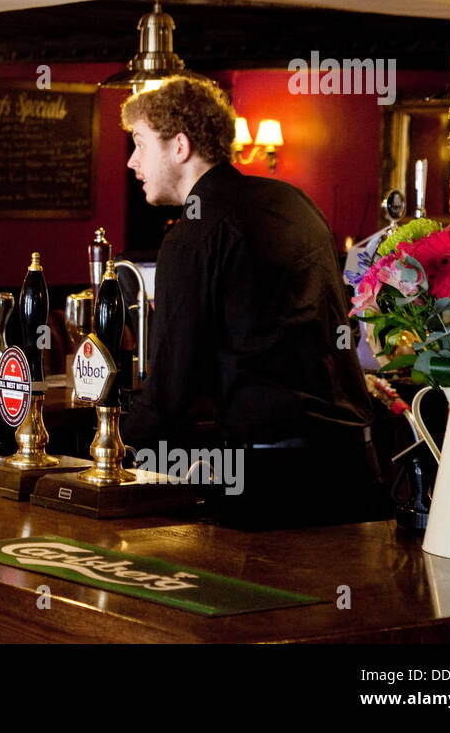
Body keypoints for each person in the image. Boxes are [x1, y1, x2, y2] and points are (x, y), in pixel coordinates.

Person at [119, 76, 387, 529]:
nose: (131, 161)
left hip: (276, 483)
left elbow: (171, 393)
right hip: (355, 465)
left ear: (180, 147)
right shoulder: (293, 201)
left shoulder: (192, 236)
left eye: (141, 144)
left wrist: (105, 445)